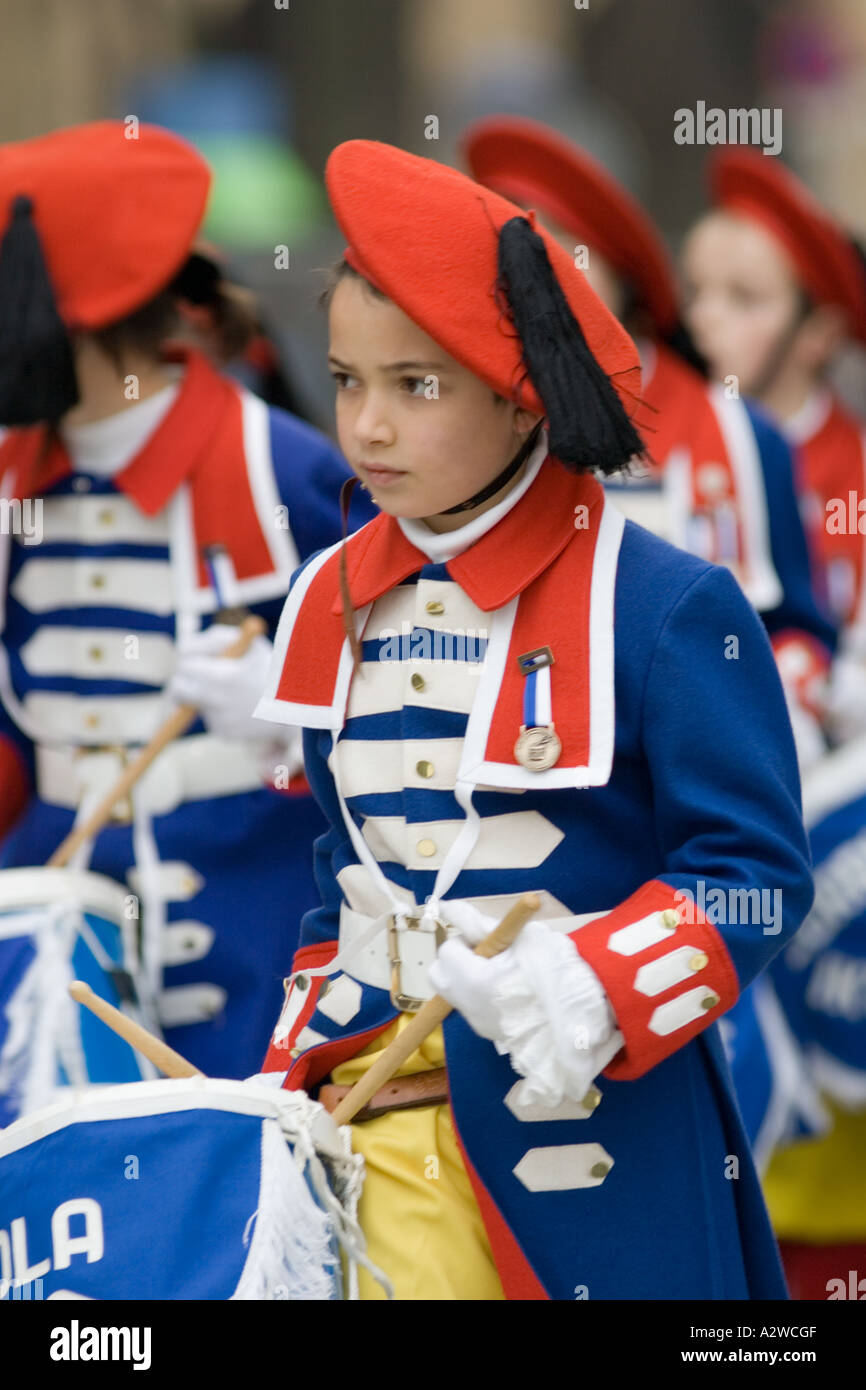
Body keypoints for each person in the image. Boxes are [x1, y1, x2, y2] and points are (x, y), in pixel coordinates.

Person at [255, 138, 814, 1300]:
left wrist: (596, 980)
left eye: (416, 384)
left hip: (597, 1137)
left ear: (523, 398)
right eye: (348, 379)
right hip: (371, 1128)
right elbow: (340, 863)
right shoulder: (329, 592)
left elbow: (754, 874)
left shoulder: (665, 604)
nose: (361, 427)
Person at [0, 121, 376, 1087]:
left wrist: (288, 717)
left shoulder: (284, 467)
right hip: (47, 942)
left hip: (254, 934)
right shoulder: (9, 480)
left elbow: (418, 697)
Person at [463, 116, 835, 773]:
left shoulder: (746, 438)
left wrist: (784, 704)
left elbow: (801, 626)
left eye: (558, 255)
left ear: (618, 276)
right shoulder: (463, 422)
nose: (526, 285)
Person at [681, 148, 866, 744]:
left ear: (820, 333)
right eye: (696, 291)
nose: (703, 317)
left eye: (743, 298)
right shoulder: (657, 456)